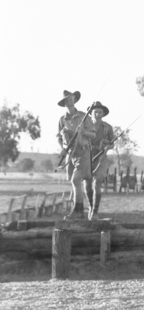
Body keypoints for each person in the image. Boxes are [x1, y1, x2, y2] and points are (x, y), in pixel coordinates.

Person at [56, 90, 96, 221]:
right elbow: (59, 137)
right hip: (70, 154)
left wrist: (83, 132)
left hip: (83, 152)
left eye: (70, 98)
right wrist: (62, 148)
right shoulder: (62, 119)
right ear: (64, 103)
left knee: (76, 180)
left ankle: (77, 211)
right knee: (74, 183)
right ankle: (80, 212)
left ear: (74, 99)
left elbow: (93, 135)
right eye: (66, 100)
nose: (69, 101)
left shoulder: (84, 116)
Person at [88, 101, 115, 220]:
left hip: (101, 158)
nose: (97, 114)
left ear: (103, 114)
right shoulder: (85, 126)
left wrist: (107, 146)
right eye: (95, 112)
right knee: (86, 185)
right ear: (91, 113)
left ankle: (95, 211)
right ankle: (90, 206)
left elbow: (112, 144)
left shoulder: (108, 128)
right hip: (86, 157)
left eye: (100, 112)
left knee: (97, 183)